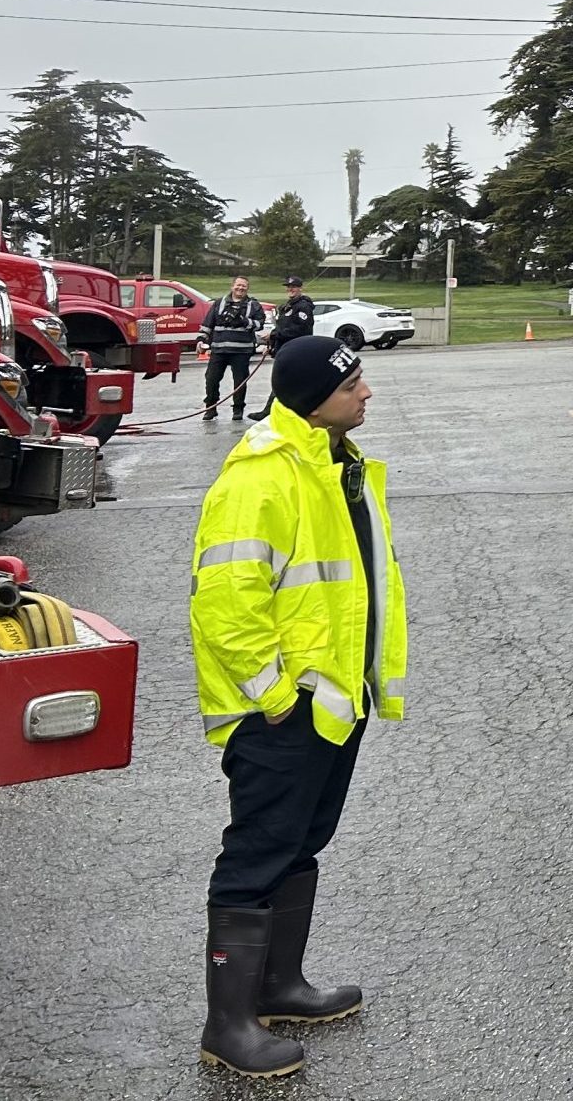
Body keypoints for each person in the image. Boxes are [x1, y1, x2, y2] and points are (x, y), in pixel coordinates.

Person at [190, 336, 407, 1080]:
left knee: (299, 842)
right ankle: (228, 1025)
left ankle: (277, 988)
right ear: (316, 398)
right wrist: (274, 696)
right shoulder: (262, 478)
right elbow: (224, 602)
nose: (366, 393)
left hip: (332, 704)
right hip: (281, 711)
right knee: (256, 854)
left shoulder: (335, 465)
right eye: (353, 385)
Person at [249, 277, 320, 421]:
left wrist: (274, 334)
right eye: (288, 286)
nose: (290, 289)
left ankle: (271, 411)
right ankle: (287, 411)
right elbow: (282, 328)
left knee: (284, 381)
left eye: (294, 286)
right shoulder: (288, 306)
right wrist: (273, 346)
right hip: (285, 350)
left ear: (300, 288)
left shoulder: (303, 307)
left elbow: (300, 330)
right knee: (287, 382)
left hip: (298, 351)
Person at [201, 277, 266, 424]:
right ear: (232, 286)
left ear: (247, 289)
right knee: (211, 379)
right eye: (238, 285)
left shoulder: (253, 305)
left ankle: (238, 410)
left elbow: (259, 324)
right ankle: (210, 408)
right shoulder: (219, 303)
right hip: (219, 349)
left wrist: (244, 320)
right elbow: (207, 324)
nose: (240, 288)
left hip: (241, 351)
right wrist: (201, 339)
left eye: (244, 286)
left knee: (240, 382)